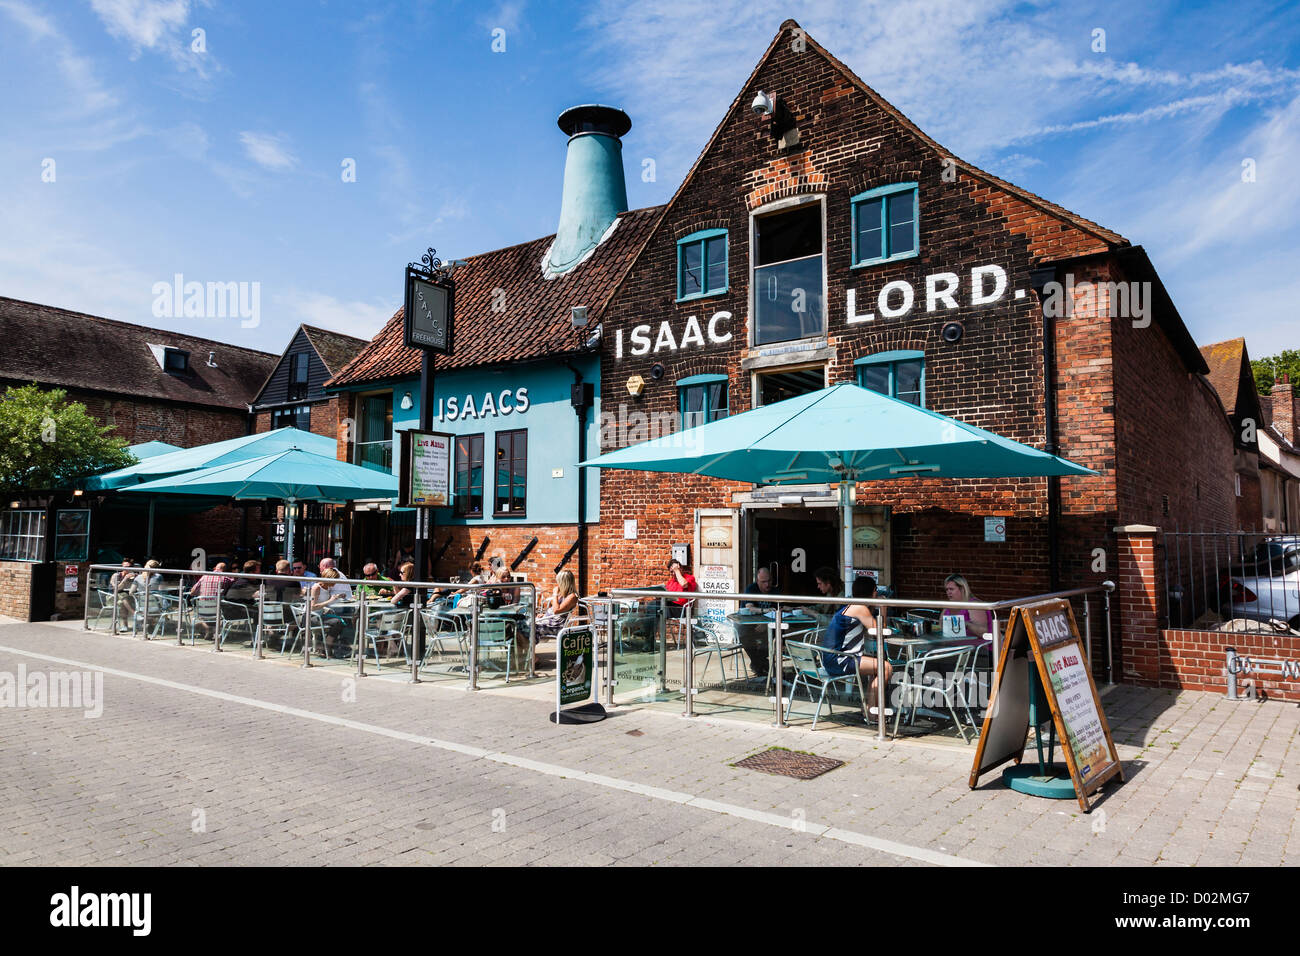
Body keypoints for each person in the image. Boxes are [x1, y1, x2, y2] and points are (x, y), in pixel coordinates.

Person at [822, 576, 893, 715]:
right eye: (875, 591)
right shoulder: (860, 608)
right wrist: (883, 607)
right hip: (839, 660)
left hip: (832, 658)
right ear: (873, 592)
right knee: (886, 668)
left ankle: (867, 709)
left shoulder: (853, 605)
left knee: (877, 668)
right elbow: (881, 631)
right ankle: (872, 714)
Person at [309, 568, 353, 658]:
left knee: (341, 621)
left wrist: (338, 596)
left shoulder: (327, 587)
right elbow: (312, 607)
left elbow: (326, 600)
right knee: (338, 622)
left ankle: (325, 647)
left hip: (320, 615)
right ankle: (326, 647)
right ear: (328, 578)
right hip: (310, 617)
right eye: (334, 580)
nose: (335, 582)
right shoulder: (316, 588)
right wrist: (330, 600)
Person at [942, 574, 992, 640]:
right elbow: (941, 625)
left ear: (962, 589)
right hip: (955, 644)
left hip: (978, 647)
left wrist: (966, 624)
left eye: (951, 589)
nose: (948, 592)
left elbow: (984, 632)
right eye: (947, 590)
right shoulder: (949, 605)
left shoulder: (974, 605)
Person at [536, 570, 579, 640]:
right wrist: (545, 615)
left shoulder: (572, 596)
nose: (557, 584)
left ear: (564, 583)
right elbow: (555, 611)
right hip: (550, 621)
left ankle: (526, 648)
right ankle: (523, 646)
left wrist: (555, 594)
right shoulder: (563, 594)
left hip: (556, 626)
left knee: (531, 627)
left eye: (558, 582)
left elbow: (556, 611)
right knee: (524, 623)